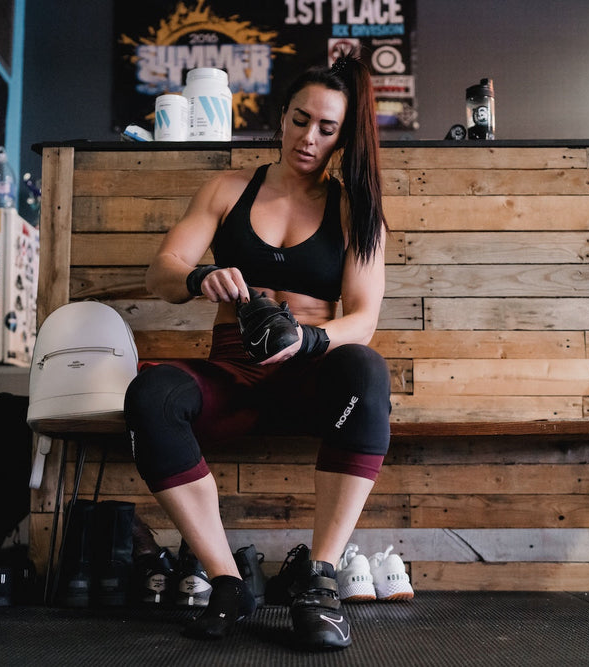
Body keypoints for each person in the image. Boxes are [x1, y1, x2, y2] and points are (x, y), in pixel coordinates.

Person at [123, 53, 390, 651]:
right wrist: (200, 278)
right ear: (282, 116)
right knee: (151, 394)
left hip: (314, 375)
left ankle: (319, 579)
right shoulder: (228, 189)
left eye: (327, 129)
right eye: (301, 120)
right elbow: (161, 272)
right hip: (234, 374)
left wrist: (309, 339)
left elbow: (364, 319)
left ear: (342, 137)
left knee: (366, 370)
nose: (309, 137)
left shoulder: (354, 208)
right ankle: (226, 581)